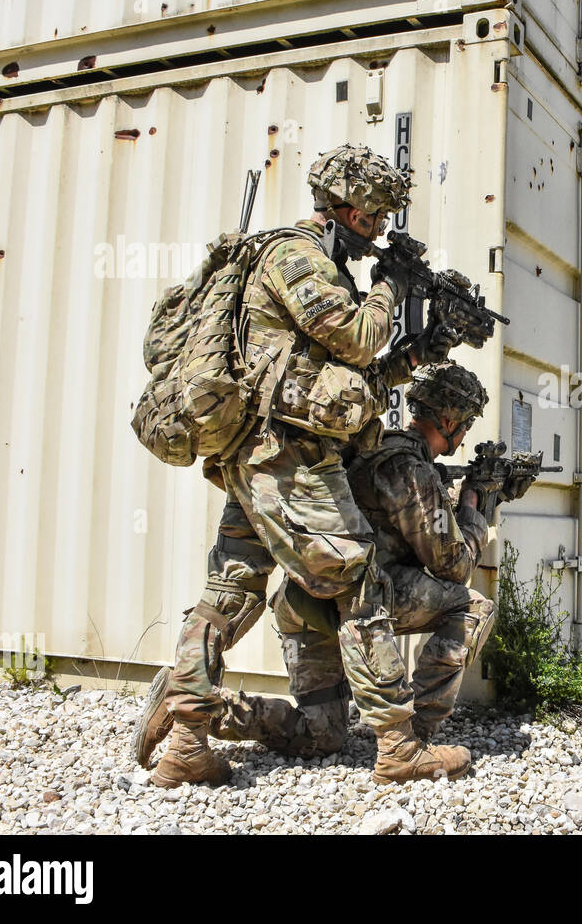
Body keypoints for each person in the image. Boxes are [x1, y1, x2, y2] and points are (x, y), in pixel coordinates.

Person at [134, 144, 456, 787]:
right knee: (356, 578)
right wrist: (392, 288)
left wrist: (413, 357)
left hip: (262, 460)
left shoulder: (315, 264)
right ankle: (397, 747)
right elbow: (358, 338)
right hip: (287, 460)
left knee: (229, 592)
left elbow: (343, 369)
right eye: (371, 217)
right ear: (343, 204)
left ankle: (187, 738)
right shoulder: (296, 254)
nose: (376, 231)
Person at [163, 363, 536, 784]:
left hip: (303, 606)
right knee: (473, 609)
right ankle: (415, 738)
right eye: (464, 425)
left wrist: (452, 498)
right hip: (359, 607)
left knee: (322, 736)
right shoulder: (409, 468)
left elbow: (394, 518)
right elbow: (453, 564)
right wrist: (473, 509)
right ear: (449, 421)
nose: (464, 434)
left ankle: (202, 703)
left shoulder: (371, 448)